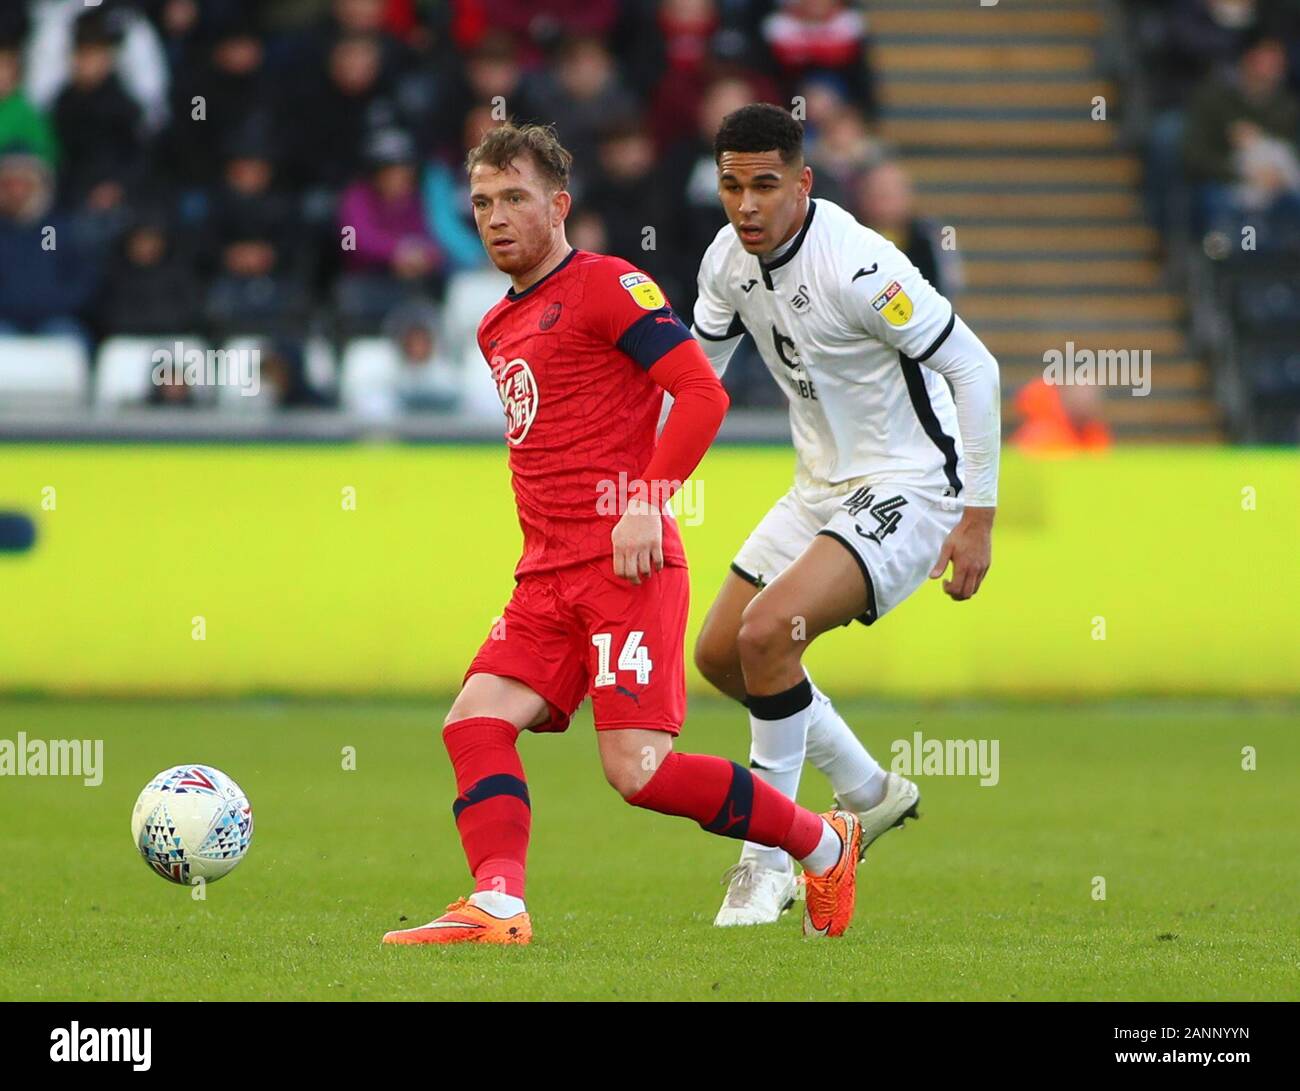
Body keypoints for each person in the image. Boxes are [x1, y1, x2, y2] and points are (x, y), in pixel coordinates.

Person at [381, 122, 864, 946]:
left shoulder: (610, 285)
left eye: (515, 199)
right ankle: (498, 902)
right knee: (473, 720)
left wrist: (645, 498)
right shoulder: (494, 325)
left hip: (625, 568)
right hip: (545, 578)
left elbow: (700, 393)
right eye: (482, 203)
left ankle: (824, 841)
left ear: (559, 205)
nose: (495, 217)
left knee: (637, 773)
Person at [689, 104, 1001, 925]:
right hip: (818, 483)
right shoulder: (726, 260)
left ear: (803, 182)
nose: (747, 205)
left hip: (910, 482)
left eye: (765, 185)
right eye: (731, 186)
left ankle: (766, 863)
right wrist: (642, 487)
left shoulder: (862, 265)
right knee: (722, 654)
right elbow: (696, 387)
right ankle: (868, 789)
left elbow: (976, 367)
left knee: (768, 636)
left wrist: (978, 515)